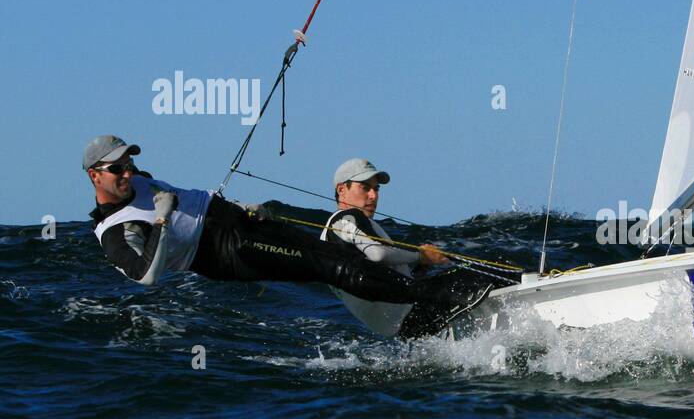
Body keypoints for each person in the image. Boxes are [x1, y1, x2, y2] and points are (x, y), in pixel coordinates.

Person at [84, 135, 464, 311]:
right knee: (332, 266)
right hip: (225, 252)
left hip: (239, 222)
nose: (127, 173)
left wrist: (238, 207)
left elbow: (193, 204)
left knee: (333, 253)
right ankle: (438, 298)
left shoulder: (138, 180)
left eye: (129, 164)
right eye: (117, 168)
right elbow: (144, 277)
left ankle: (415, 288)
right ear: (94, 177)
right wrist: (163, 220)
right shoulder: (115, 230)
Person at [321, 158, 514, 338]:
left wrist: (422, 267)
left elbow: (378, 274)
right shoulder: (346, 218)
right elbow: (378, 254)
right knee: (497, 266)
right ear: (341, 189)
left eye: (376, 189)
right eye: (365, 188)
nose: (373, 195)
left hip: (403, 326)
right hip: (413, 308)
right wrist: (420, 256)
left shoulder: (333, 235)